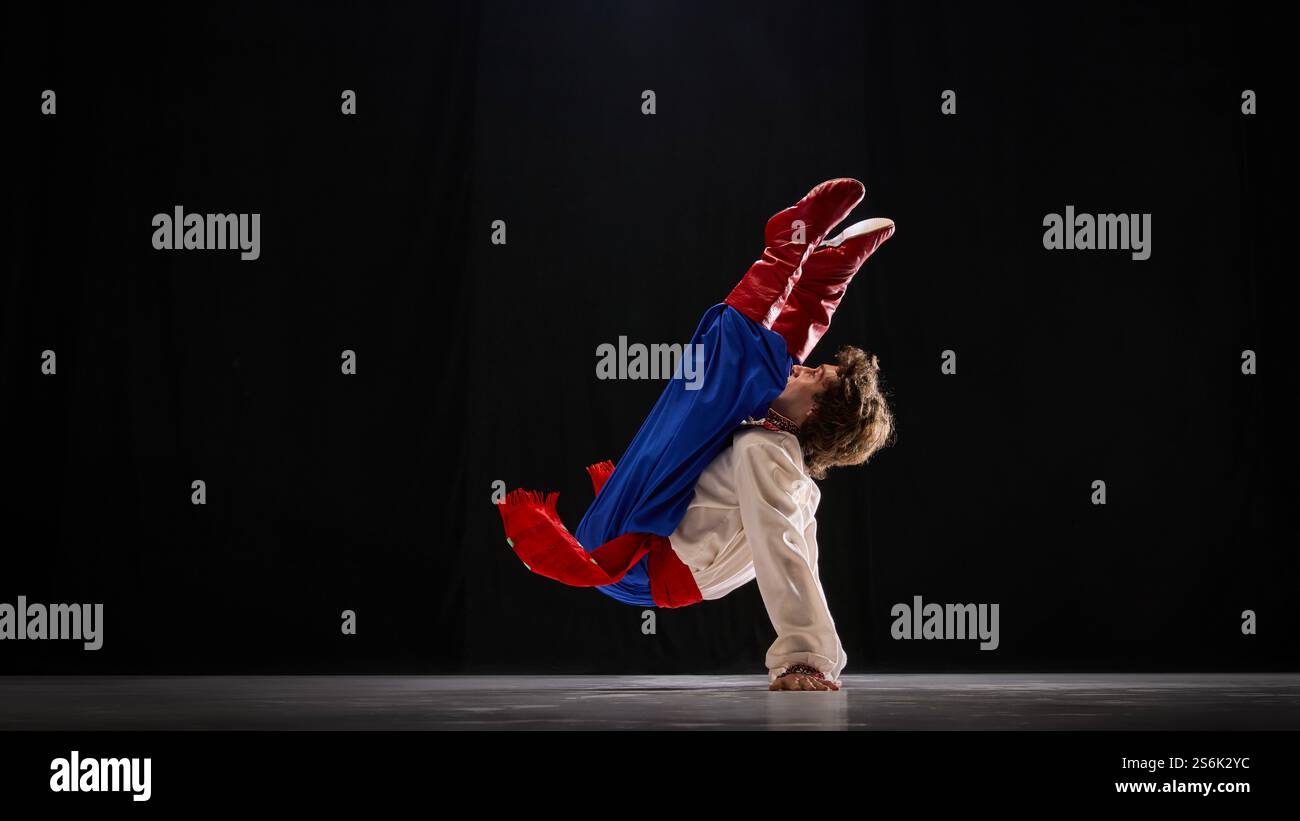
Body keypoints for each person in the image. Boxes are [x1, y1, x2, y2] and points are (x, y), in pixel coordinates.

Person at [495, 178, 896, 691]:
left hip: (640, 559)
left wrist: (807, 656)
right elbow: (799, 546)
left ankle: (792, 255)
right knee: (733, 381)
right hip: (666, 546)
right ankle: (821, 278)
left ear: (817, 415)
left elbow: (788, 550)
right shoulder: (774, 448)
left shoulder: (767, 450)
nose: (804, 369)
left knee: (723, 373)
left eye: (817, 377)